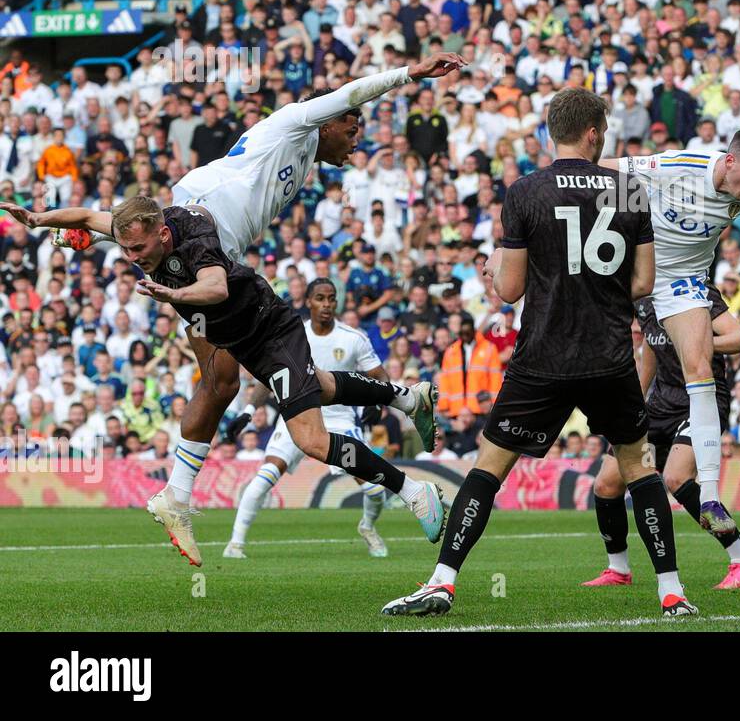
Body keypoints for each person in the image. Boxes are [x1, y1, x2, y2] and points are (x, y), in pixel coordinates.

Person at [1, 53, 463, 565]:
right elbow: (351, 93)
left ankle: (403, 400)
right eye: (352, 129)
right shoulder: (294, 122)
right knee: (230, 383)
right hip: (202, 245)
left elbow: (177, 251)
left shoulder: (305, 152)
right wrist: (408, 75)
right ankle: (179, 495)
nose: (356, 139)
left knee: (251, 383)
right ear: (330, 119)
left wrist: (60, 223)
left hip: (208, 257)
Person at [382, 88, 697, 619]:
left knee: (488, 470)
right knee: (640, 470)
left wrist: (490, 271)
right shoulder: (630, 192)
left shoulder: (525, 191)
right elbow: (643, 283)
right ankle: (672, 592)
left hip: (542, 359)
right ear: (594, 132)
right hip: (609, 358)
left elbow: (509, 290)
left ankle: (442, 582)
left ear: (555, 130)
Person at [102, 196, 447, 563]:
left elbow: (216, 288)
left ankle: (413, 491)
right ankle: (408, 398)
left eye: (137, 247)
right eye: (126, 248)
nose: (133, 256)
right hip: (253, 344)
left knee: (311, 440)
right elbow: (89, 218)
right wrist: (39, 220)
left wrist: (174, 294)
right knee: (325, 386)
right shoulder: (141, 231)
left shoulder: (196, 247)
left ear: (161, 233)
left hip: (273, 335)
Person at [597, 127, 740, 534]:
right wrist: (570, 170)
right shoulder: (679, 165)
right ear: (730, 160)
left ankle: (711, 493)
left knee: (699, 368)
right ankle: (617, 567)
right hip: (644, 272)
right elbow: (611, 169)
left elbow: (739, 338)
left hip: (688, 282)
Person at [584, 286, 740, 590]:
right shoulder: (643, 296)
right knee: (606, 483)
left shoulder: (696, 289)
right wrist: (638, 401)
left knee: (676, 478)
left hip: (702, 400)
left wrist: (695, 344)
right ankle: (618, 569)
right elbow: (651, 349)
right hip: (661, 403)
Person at [224, 278, 395, 559]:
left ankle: (367, 527)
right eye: (319, 298)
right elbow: (269, 378)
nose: (326, 304)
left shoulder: (353, 338)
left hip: (339, 420)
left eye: (331, 298)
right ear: (308, 302)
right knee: (264, 477)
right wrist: (247, 411)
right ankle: (235, 544)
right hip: (297, 415)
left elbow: (380, 376)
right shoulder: (293, 335)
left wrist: (378, 399)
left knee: (376, 490)